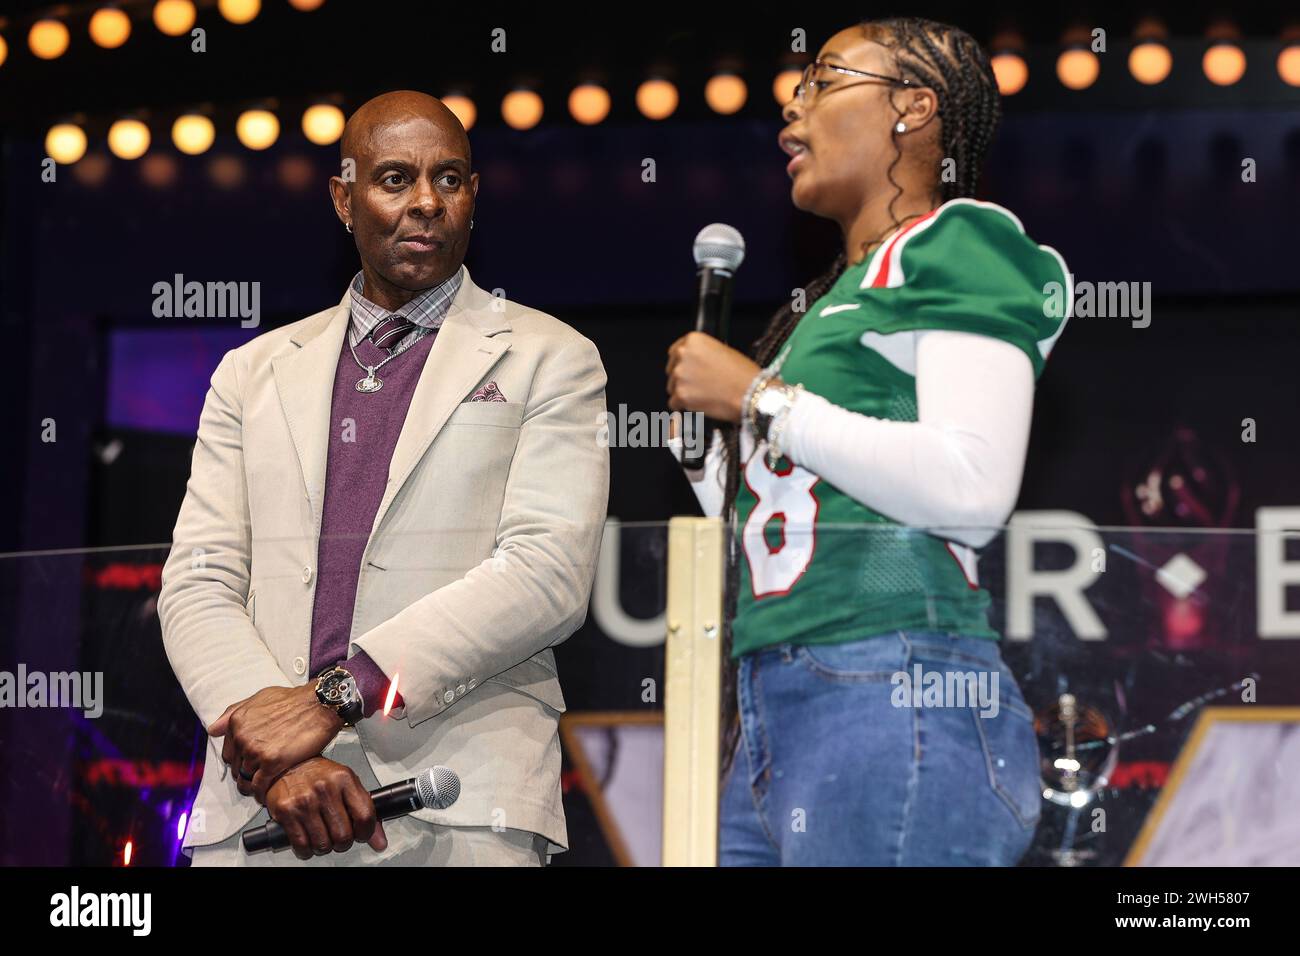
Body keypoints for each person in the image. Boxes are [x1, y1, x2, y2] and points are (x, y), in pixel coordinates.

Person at [158, 91, 609, 866]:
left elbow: (547, 573)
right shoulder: (252, 372)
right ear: (344, 197)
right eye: (395, 179)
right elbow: (199, 584)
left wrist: (335, 695)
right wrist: (284, 751)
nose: (427, 202)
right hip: (269, 801)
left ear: (473, 196)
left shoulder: (551, 357)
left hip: (458, 796)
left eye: (451, 179)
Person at [665, 17, 1069, 865]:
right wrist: (715, 450)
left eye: (822, 80)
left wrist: (758, 398)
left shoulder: (959, 242)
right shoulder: (827, 303)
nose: (791, 106)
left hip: (895, 679)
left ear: (913, 108)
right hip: (773, 698)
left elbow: (973, 488)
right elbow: (797, 511)